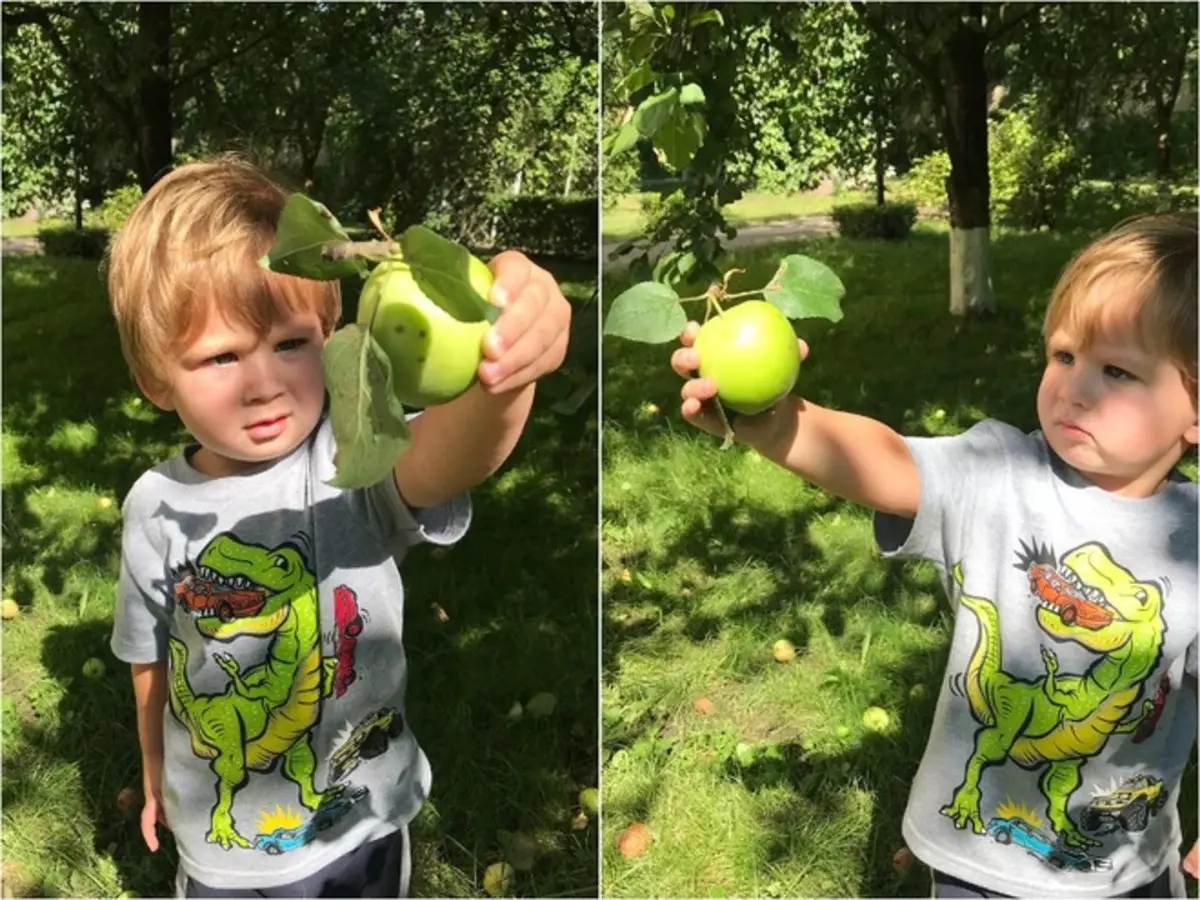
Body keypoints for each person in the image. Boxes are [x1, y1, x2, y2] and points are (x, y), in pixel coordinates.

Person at [672, 213, 1198, 898]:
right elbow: (885, 460)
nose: (1074, 386)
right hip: (975, 860)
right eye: (1064, 355)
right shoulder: (1000, 471)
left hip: (1128, 871)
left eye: (1118, 371)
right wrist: (774, 419)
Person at [106, 155, 571, 897]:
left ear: (332, 332)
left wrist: (508, 362)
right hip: (222, 849)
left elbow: (456, 455)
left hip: (358, 826)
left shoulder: (351, 457)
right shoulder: (153, 505)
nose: (263, 382)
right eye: (221, 356)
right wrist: (153, 765)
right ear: (156, 377)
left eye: (291, 343)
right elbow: (147, 651)